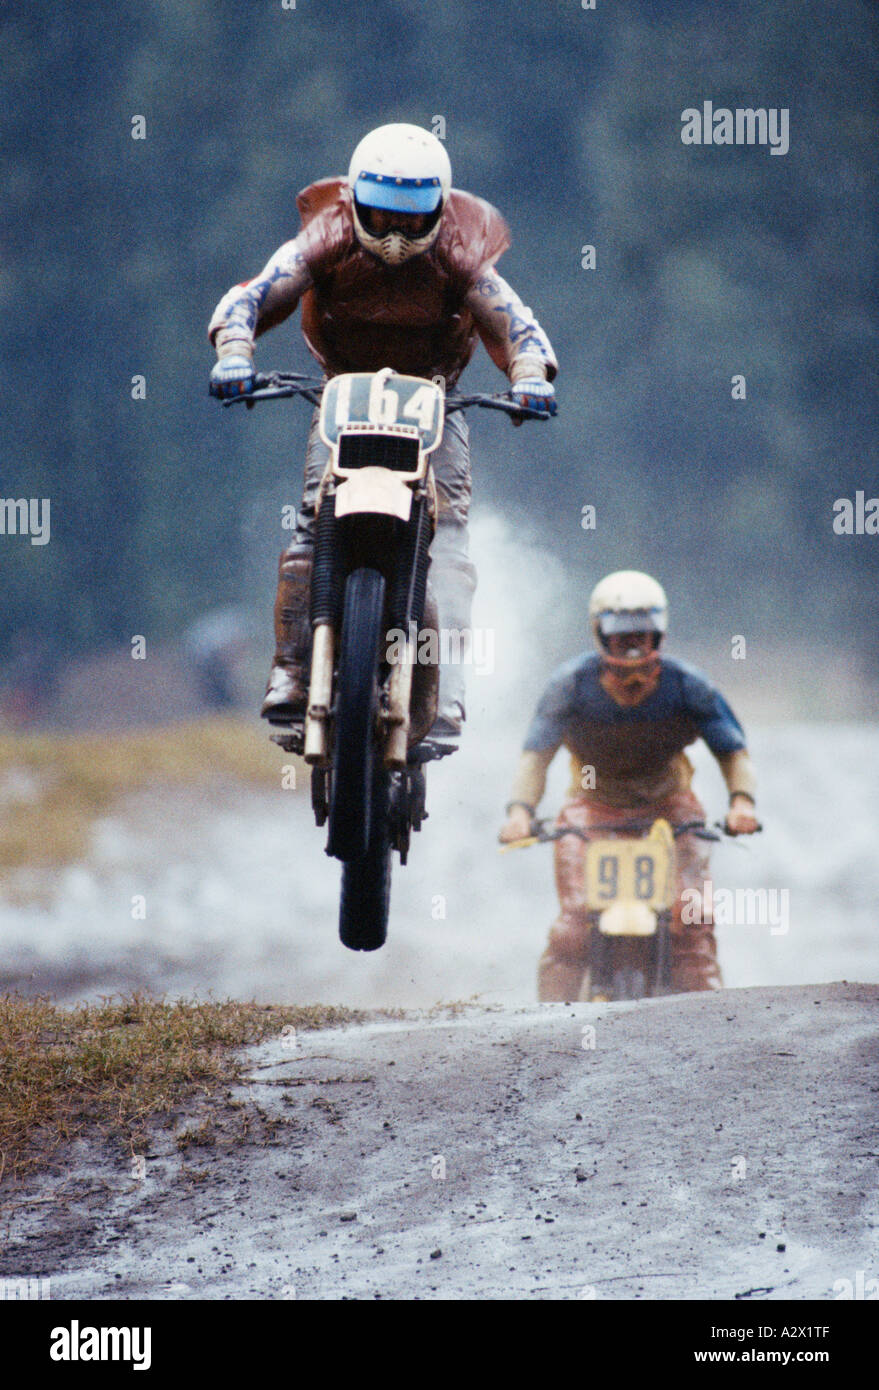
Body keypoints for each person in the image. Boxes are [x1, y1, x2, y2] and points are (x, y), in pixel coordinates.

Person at [208, 122, 557, 747]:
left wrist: (531, 376)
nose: (395, 235)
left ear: (439, 210)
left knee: (446, 540)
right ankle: (291, 671)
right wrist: (235, 350)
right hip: (343, 392)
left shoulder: (460, 255)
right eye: (381, 215)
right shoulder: (324, 240)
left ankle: (444, 692)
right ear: (355, 203)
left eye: (412, 218)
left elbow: (519, 324)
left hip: (435, 401)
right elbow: (253, 295)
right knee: (313, 524)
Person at [498, 570, 760, 1000]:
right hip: (592, 809)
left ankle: (712, 1028)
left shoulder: (688, 685)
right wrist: (519, 814)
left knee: (690, 923)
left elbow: (733, 752)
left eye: (643, 634)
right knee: (574, 927)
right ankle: (545, 1031)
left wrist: (742, 804)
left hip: (670, 808)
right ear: (600, 633)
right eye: (622, 636)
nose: (633, 645)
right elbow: (535, 757)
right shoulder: (569, 685)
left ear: (660, 633)